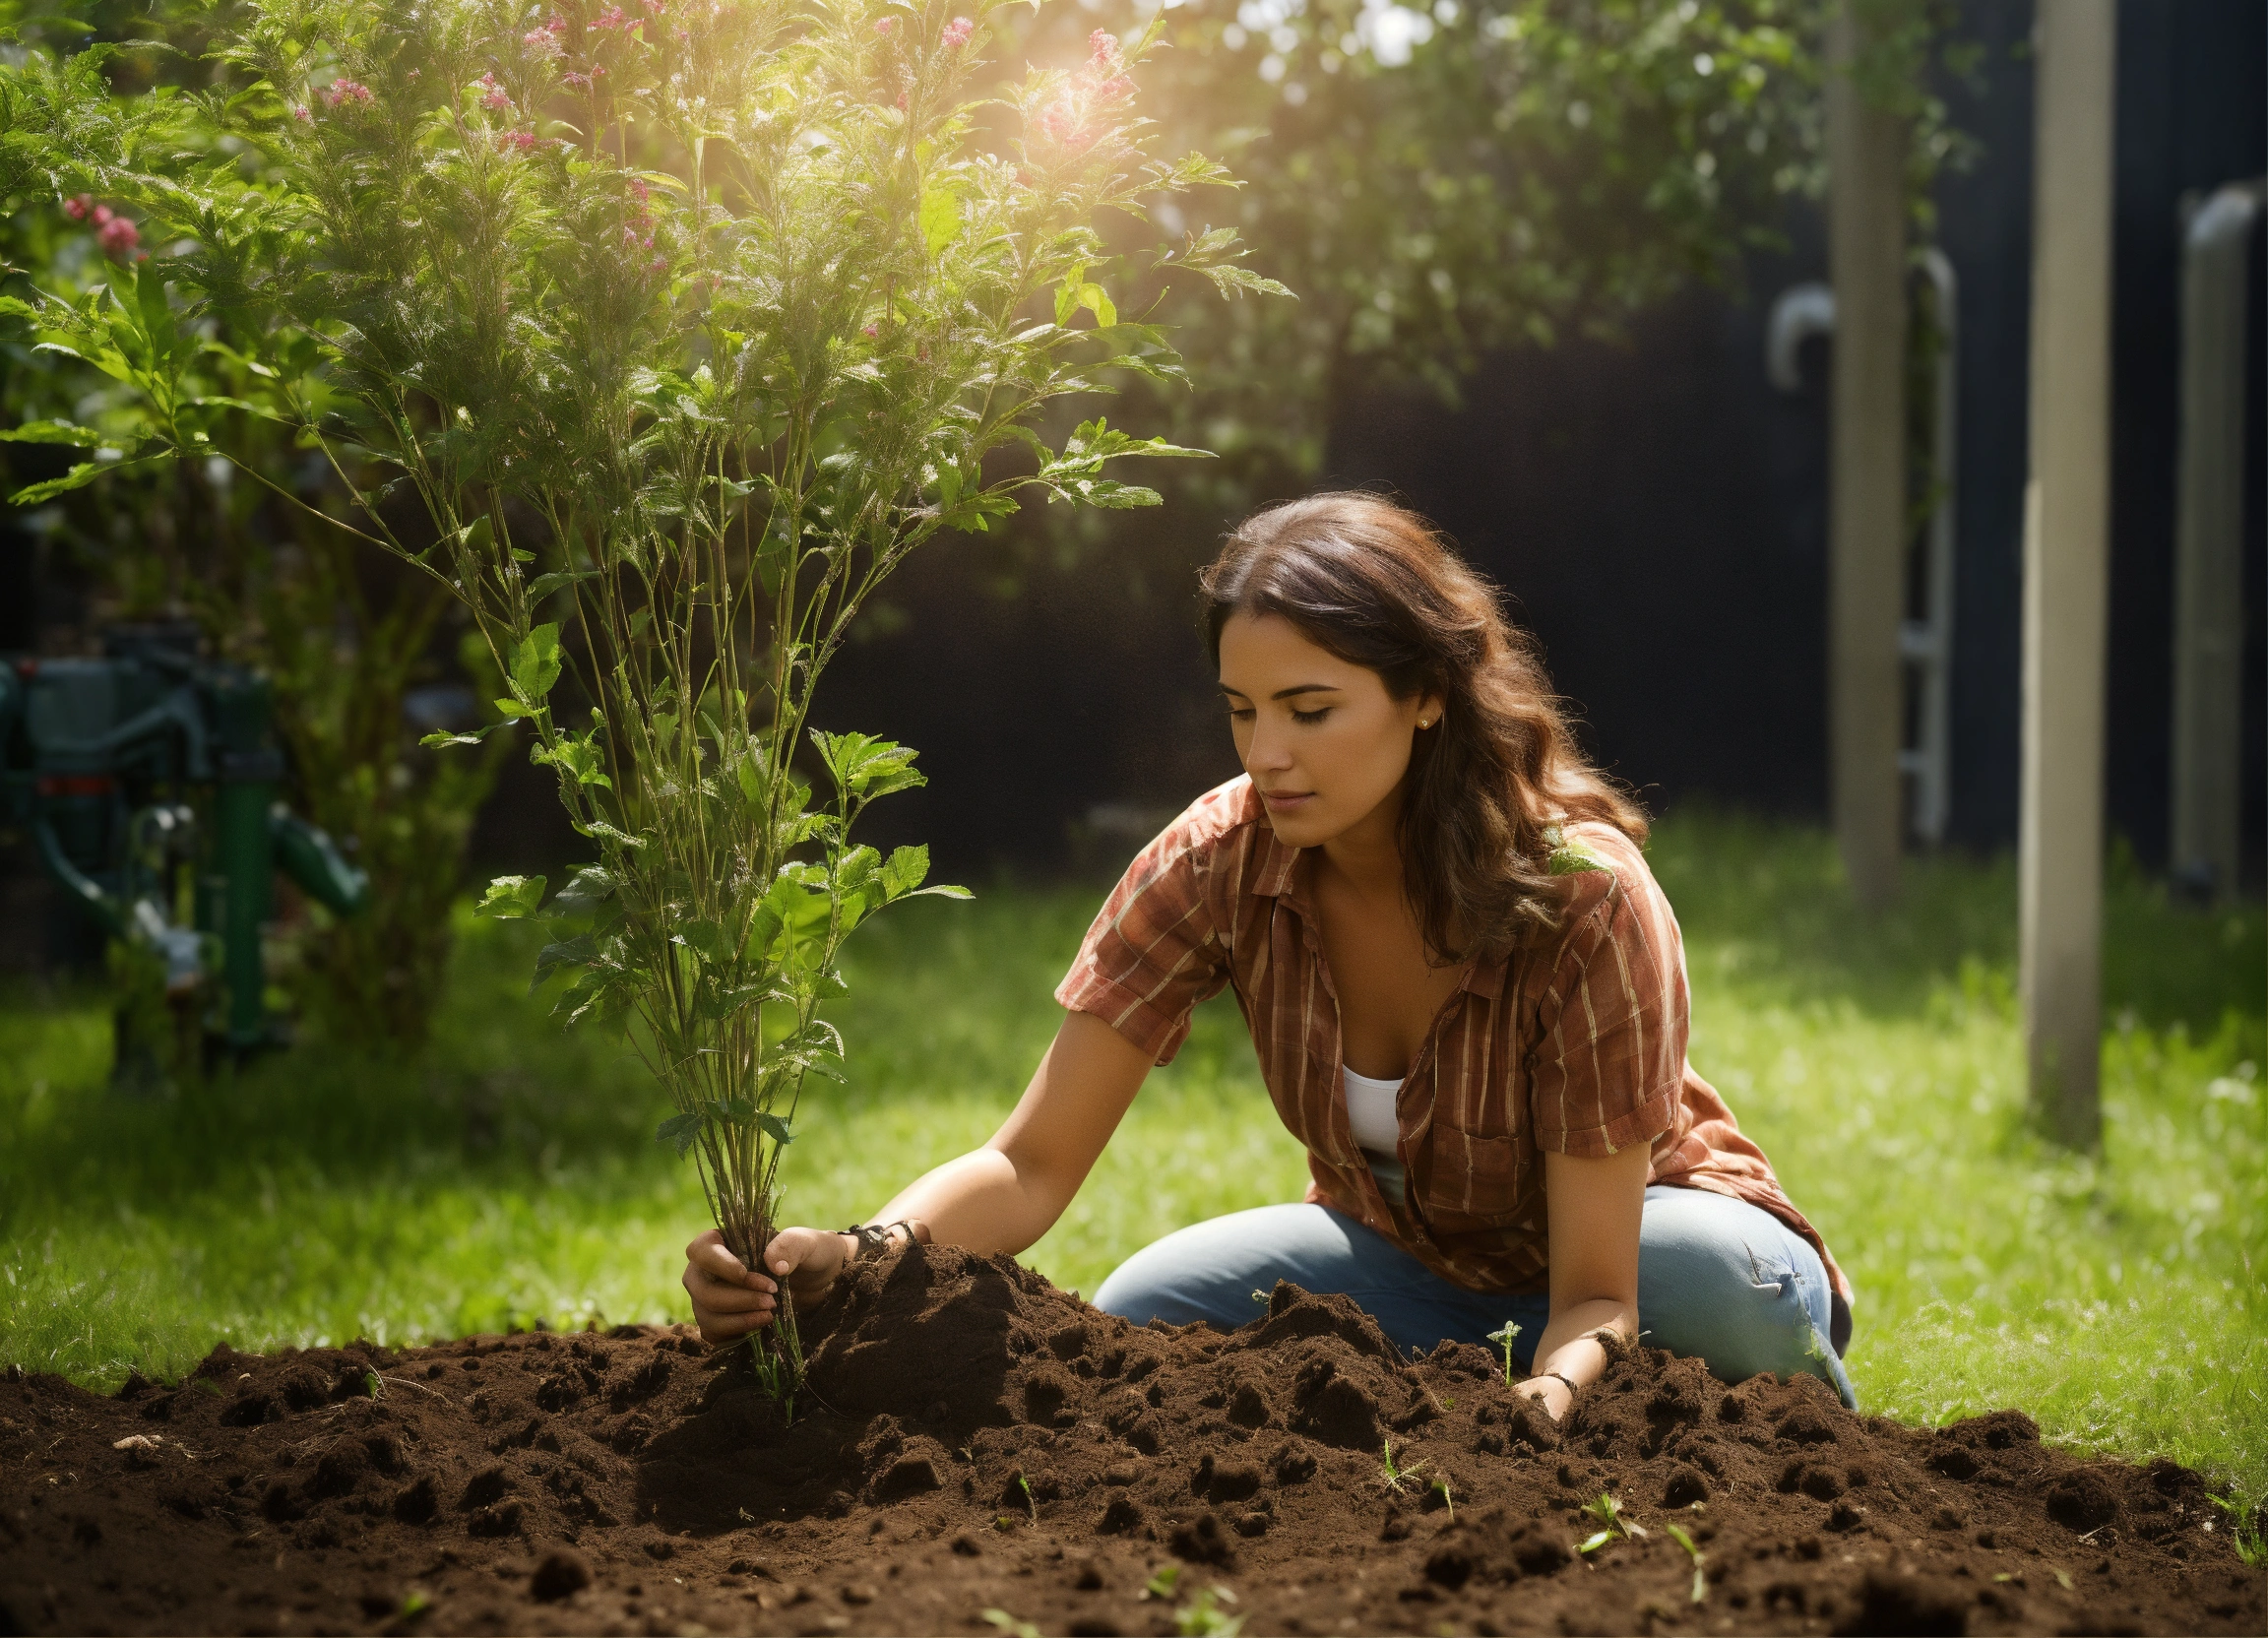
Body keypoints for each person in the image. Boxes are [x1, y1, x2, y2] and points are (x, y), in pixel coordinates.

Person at [683, 492, 1857, 1417]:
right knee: (1143, 1309)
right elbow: (1031, 1163)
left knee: (1711, 1281)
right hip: (1415, 1263)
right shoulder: (1221, 856)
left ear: (1427, 695)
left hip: (1640, 1247)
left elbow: (1599, 1289)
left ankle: (1782, 1419)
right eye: (1242, 709)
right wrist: (856, 1255)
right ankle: (1458, 1380)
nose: (1268, 753)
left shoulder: (1585, 896)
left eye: (1309, 707)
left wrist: (1541, 1413)